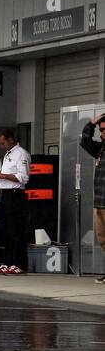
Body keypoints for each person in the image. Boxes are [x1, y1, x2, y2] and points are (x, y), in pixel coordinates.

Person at [0, 127, 31, 275]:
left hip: (16, 194)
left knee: (16, 230)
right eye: (0, 144)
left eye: (3, 143)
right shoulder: (8, 155)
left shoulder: (22, 155)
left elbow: (24, 177)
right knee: (6, 230)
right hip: (6, 193)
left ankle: (19, 263)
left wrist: (3, 176)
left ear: (10, 139)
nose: (2, 146)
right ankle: (7, 262)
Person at [79, 114, 105, 284]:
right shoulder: (101, 148)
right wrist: (91, 124)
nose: (102, 133)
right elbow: (85, 142)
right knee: (103, 239)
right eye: (101, 129)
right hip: (100, 202)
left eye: (104, 129)